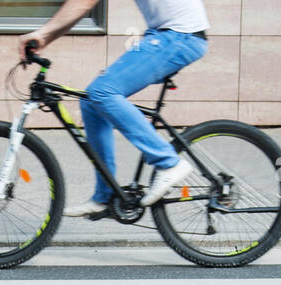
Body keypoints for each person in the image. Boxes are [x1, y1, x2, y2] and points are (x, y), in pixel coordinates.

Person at [19, 0, 209, 216]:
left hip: (180, 36)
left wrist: (44, 34)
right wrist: (45, 37)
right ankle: (105, 196)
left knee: (103, 91)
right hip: (166, 36)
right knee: (92, 100)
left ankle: (168, 162)